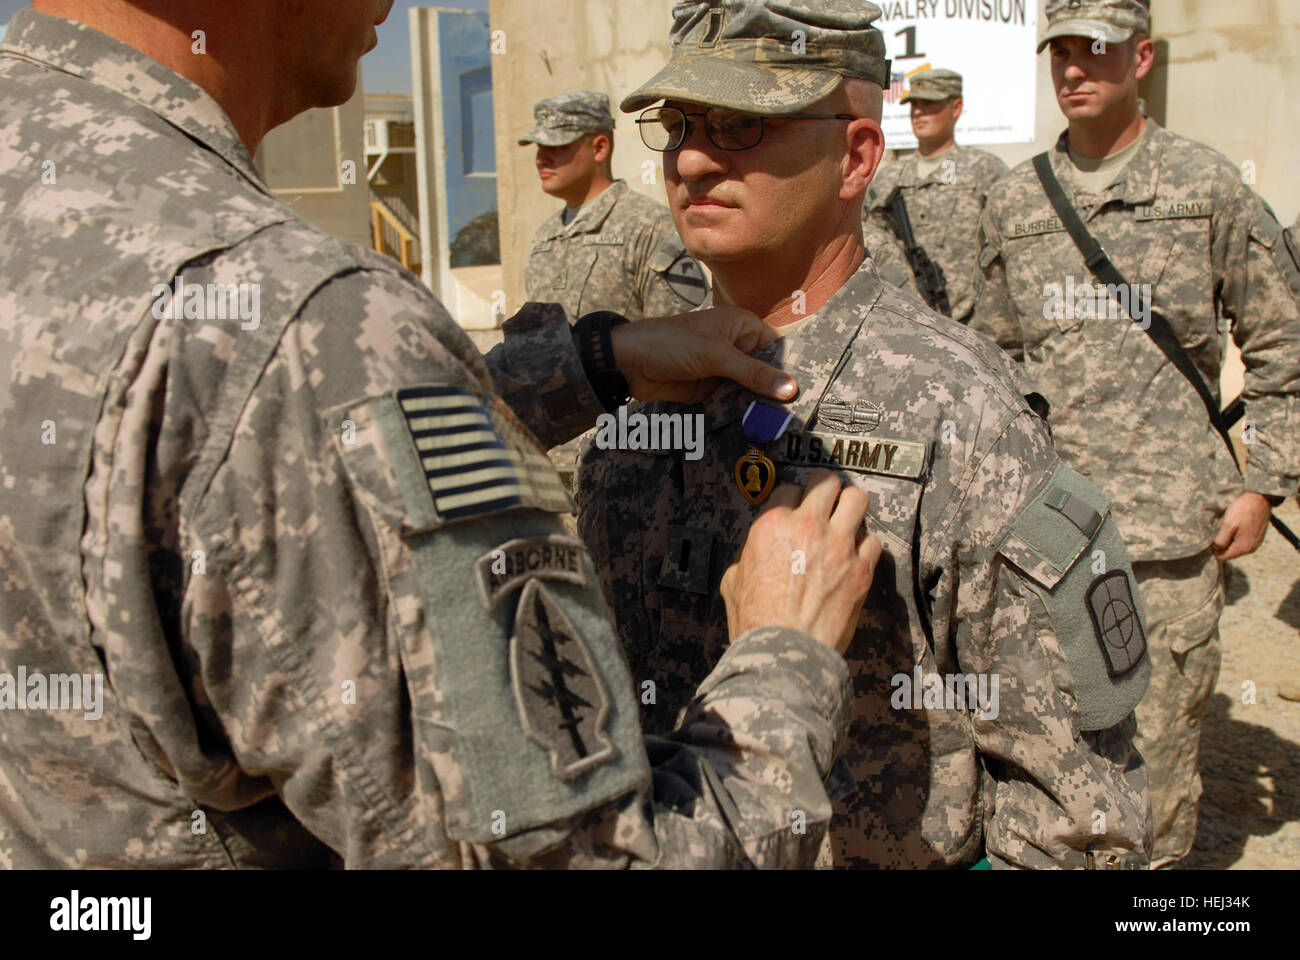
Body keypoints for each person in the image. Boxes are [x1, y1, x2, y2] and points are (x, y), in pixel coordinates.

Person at [0, 1, 884, 869]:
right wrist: (785, 651)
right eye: (684, 126)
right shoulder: (305, 323)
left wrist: (589, 364)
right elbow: (596, 857)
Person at [579, 0, 1152, 870]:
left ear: (855, 156)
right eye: (679, 124)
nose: (692, 159)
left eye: (743, 125)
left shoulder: (962, 412)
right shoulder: (639, 392)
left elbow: (1077, 817)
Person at [971, 0, 1300, 867]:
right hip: (1044, 532)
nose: (1074, 69)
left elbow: (1282, 342)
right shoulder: (1012, 202)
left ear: (1143, 56)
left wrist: (1264, 483)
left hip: (1167, 534)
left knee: (1156, 765)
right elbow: (996, 362)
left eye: (1097, 51)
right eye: (1060, 52)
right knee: (1044, 755)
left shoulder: (1205, 187)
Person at [520, 91, 709, 483]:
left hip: (627, 467)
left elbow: (684, 347)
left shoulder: (650, 228)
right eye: (539, 147)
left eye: (556, 145)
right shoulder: (544, 238)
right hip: (549, 462)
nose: (542, 158)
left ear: (599, 146)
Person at [862, 68, 1007, 323]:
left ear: (956, 107)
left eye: (929, 104)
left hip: (970, 323)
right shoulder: (888, 178)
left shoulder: (983, 171)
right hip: (900, 321)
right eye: (914, 104)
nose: (918, 111)